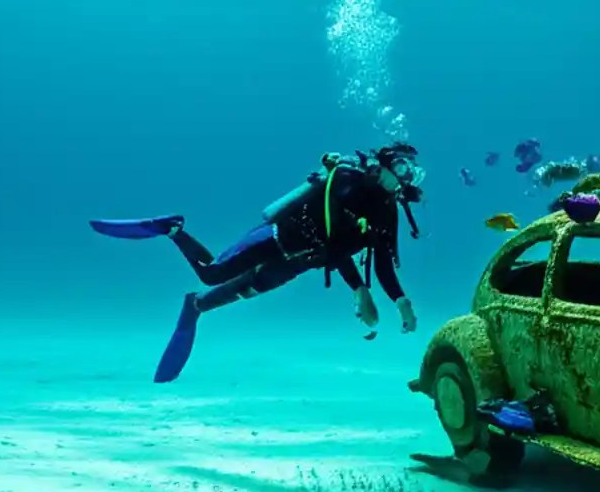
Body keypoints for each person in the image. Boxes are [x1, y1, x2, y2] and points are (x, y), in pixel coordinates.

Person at [88, 142, 426, 383]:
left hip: (296, 264)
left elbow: (382, 263)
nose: (403, 176)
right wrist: (358, 288)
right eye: (400, 166)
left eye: (410, 173)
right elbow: (334, 237)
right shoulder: (346, 178)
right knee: (212, 273)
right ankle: (173, 229)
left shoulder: (387, 212)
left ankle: (193, 307)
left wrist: (401, 301)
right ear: (385, 160)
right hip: (276, 238)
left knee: (236, 293)